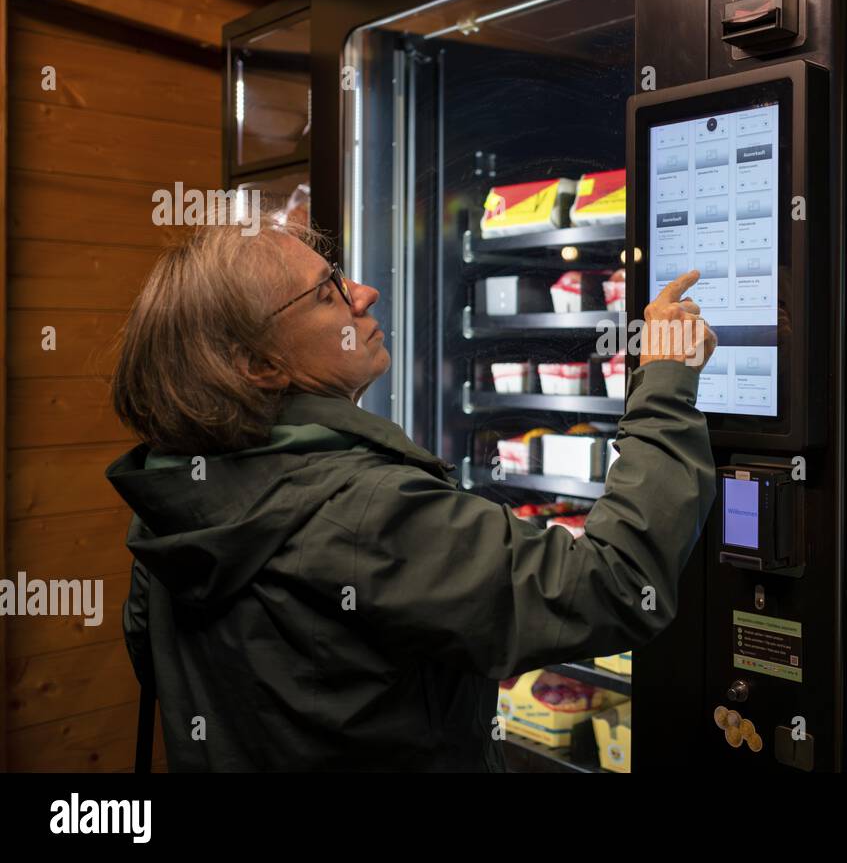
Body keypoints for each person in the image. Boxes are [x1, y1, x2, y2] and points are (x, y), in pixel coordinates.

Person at [105, 217, 716, 771]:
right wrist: (665, 385)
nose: (364, 293)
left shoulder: (172, 505)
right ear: (258, 365)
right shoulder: (361, 512)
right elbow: (609, 587)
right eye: (328, 292)